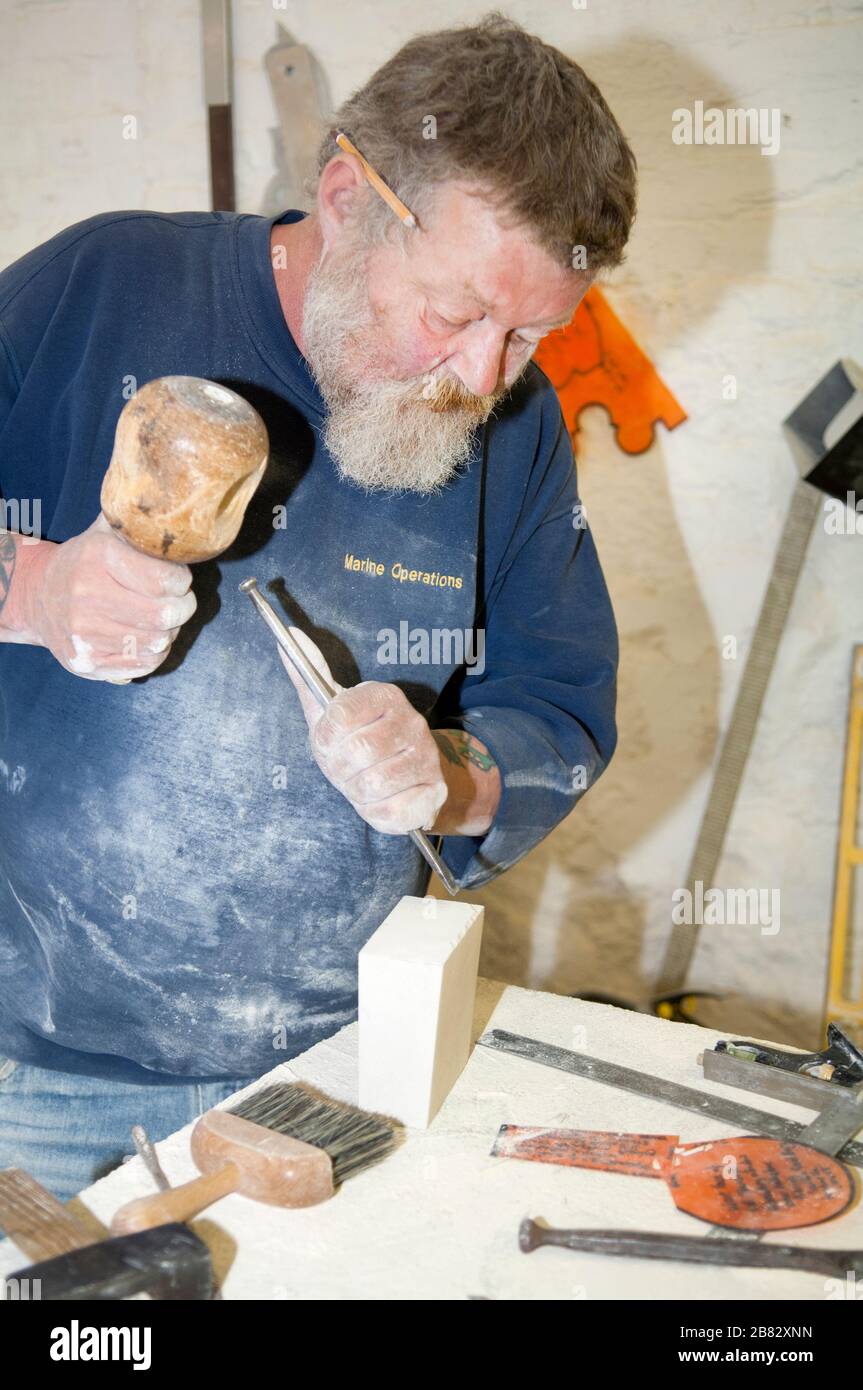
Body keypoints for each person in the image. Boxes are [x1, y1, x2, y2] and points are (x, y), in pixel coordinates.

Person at [0, 14, 636, 1200]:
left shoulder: (513, 421)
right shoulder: (100, 288)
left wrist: (447, 773)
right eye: (454, 314)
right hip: (32, 1067)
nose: (484, 377)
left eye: (530, 333)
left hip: (335, 1068)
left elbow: (556, 707)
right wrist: (33, 587)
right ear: (346, 194)